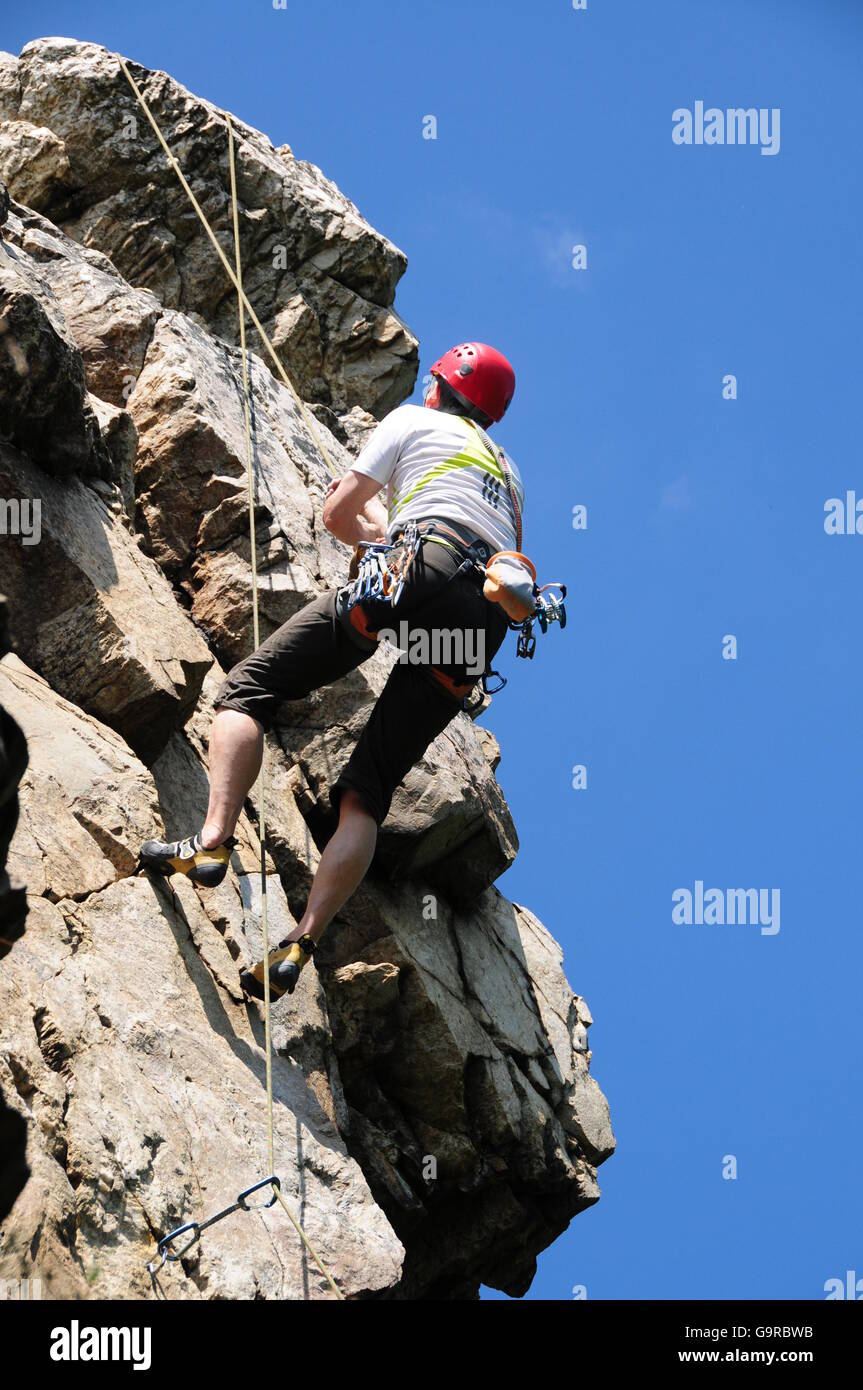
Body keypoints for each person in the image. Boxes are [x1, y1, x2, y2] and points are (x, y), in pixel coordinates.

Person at [140, 342, 524, 998]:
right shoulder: (509, 473)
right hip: (482, 617)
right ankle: (301, 940)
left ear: (439, 386)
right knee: (366, 791)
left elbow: (337, 516)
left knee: (249, 690)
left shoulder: (411, 420)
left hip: (417, 569)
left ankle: (210, 841)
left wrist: (371, 529)